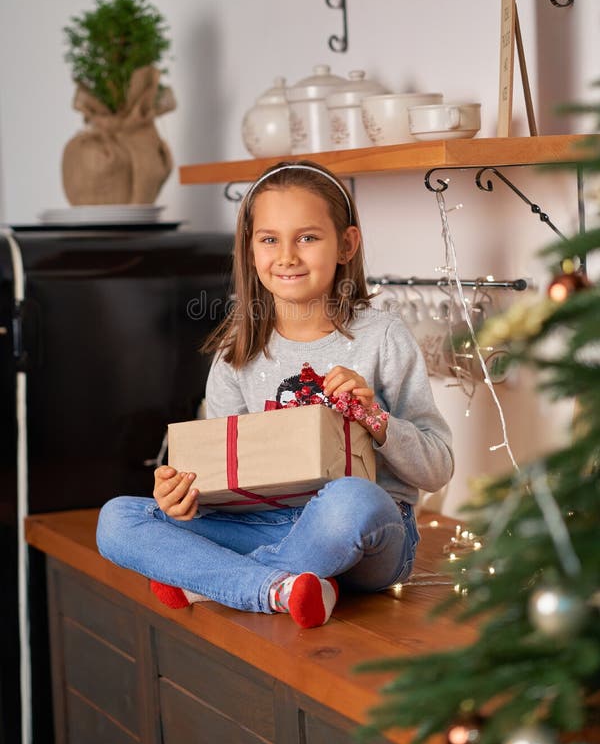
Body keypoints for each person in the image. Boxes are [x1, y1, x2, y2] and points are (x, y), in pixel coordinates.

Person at [97, 161, 453, 628]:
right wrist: (183, 498)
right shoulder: (235, 353)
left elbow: (438, 468)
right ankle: (285, 587)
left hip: (367, 532)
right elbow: (222, 484)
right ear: (250, 248)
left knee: (352, 498)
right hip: (263, 523)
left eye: (307, 237)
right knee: (118, 519)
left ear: (346, 244)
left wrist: (377, 420)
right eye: (269, 239)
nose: (286, 256)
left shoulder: (382, 337)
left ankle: (221, 582)